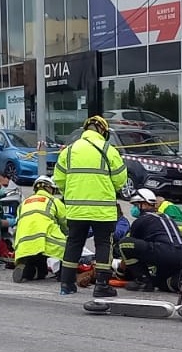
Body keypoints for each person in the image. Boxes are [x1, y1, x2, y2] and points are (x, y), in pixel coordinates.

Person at [54, 115, 127, 296]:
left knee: (73, 244)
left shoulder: (69, 151)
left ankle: (66, 284)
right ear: (103, 131)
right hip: (102, 210)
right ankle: (102, 285)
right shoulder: (108, 150)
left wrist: (73, 194)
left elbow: (59, 180)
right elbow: (120, 179)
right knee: (103, 245)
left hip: (76, 210)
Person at [118, 188, 182, 292]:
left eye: (136, 205)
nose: (135, 209)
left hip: (164, 253)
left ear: (145, 204)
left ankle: (143, 281)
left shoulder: (141, 220)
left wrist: (120, 271)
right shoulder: (166, 217)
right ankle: (174, 282)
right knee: (159, 282)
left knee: (124, 244)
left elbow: (130, 248)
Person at [12, 175, 68, 283]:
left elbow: (17, 223)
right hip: (45, 241)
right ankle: (63, 274)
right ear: (49, 188)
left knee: (38, 267)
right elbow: (65, 222)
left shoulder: (24, 203)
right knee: (66, 247)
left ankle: (26, 271)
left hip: (24, 244)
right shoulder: (53, 201)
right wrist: (67, 233)